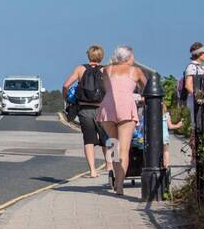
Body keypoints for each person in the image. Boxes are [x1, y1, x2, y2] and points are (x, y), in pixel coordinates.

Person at [97, 45, 147, 196]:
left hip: (108, 106)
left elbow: (104, 87)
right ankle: (119, 185)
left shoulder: (108, 70)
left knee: (113, 144)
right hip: (126, 107)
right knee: (124, 149)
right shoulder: (135, 71)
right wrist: (141, 98)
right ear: (128, 58)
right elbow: (147, 87)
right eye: (132, 56)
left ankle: (114, 174)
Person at [61, 45, 112, 178]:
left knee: (88, 140)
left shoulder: (80, 69)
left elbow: (66, 85)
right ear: (102, 56)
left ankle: (93, 170)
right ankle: (110, 165)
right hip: (103, 109)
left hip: (84, 109)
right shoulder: (106, 69)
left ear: (88, 55)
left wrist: (66, 97)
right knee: (108, 137)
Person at [181, 42, 204, 129]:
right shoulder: (192, 67)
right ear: (199, 54)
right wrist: (197, 96)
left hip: (198, 100)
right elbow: (188, 85)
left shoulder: (200, 67)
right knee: (196, 125)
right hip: (194, 100)